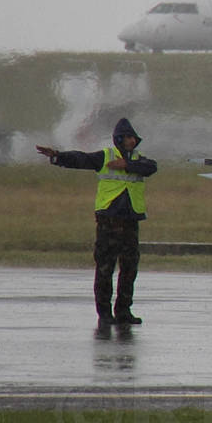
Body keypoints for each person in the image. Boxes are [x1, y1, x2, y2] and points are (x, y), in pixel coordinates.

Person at [37, 118, 157, 327]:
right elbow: (81, 159)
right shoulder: (105, 157)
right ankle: (104, 313)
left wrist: (127, 165)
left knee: (129, 268)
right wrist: (58, 156)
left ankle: (123, 311)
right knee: (105, 268)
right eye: (128, 137)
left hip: (130, 222)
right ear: (119, 139)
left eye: (133, 138)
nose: (131, 141)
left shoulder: (138, 160)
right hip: (108, 221)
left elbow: (151, 167)